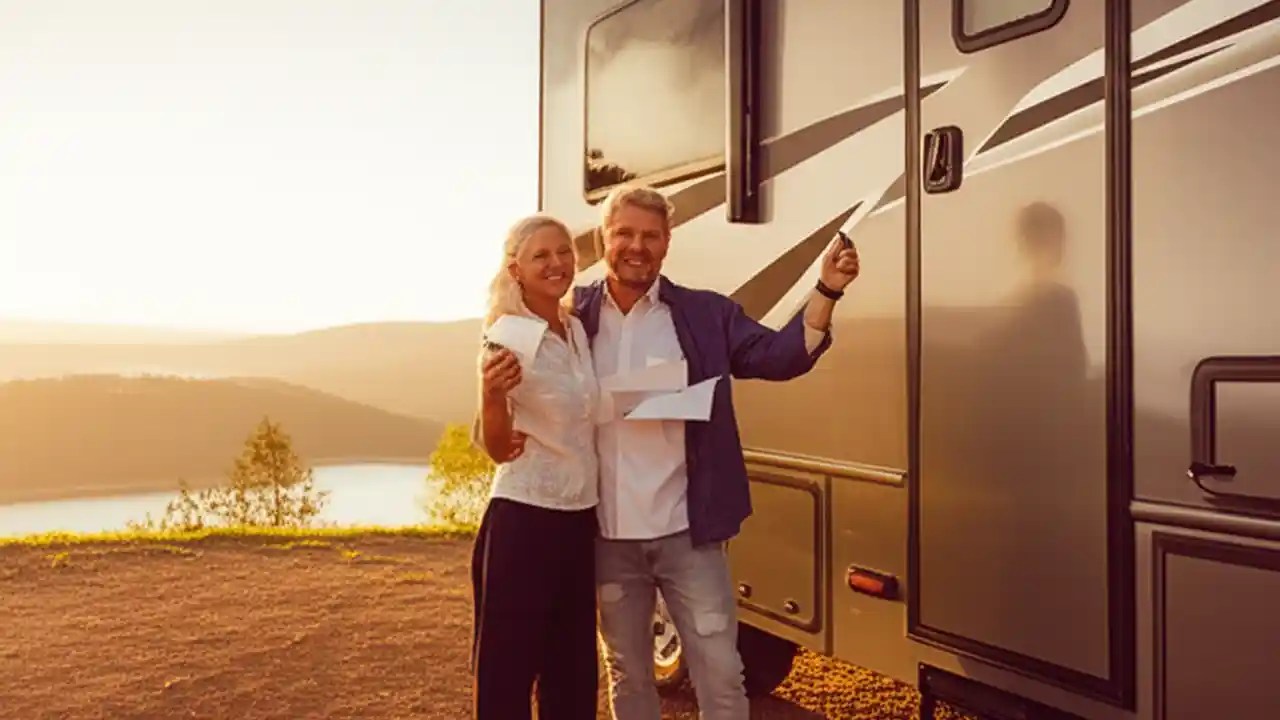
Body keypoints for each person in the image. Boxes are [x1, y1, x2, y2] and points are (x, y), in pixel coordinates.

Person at [574, 184, 859, 719]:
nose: (637, 246)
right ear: (602, 239)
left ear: (667, 243)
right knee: (628, 674)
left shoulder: (705, 313)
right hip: (607, 537)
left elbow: (780, 355)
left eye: (650, 236)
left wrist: (827, 290)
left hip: (690, 535)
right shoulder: (573, 316)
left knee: (722, 676)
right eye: (624, 234)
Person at [469, 213, 600, 720]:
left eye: (564, 251)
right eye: (540, 255)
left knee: (572, 672)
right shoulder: (510, 333)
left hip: (579, 519)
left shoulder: (576, 328)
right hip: (524, 519)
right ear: (515, 270)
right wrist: (489, 395)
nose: (556, 262)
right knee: (507, 674)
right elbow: (497, 447)